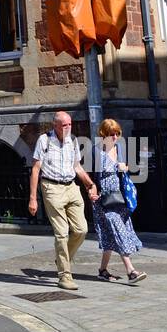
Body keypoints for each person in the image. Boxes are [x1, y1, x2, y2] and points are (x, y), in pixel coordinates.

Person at [28, 110, 98, 291]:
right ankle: (65, 276)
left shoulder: (73, 140)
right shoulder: (44, 141)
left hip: (71, 187)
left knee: (81, 230)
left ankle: (61, 258)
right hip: (51, 188)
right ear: (55, 126)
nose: (68, 128)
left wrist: (89, 184)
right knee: (62, 232)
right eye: (64, 125)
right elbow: (36, 169)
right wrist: (33, 198)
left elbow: (77, 167)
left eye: (70, 124)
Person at [93, 120, 146, 284]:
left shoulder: (119, 148)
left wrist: (124, 167)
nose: (115, 137)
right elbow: (94, 176)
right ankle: (131, 271)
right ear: (103, 135)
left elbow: (123, 170)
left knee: (111, 236)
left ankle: (102, 270)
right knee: (119, 232)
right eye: (111, 134)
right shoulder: (97, 152)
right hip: (104, 201)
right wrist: (118, 166)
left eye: (117, 133)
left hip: (120, 198)